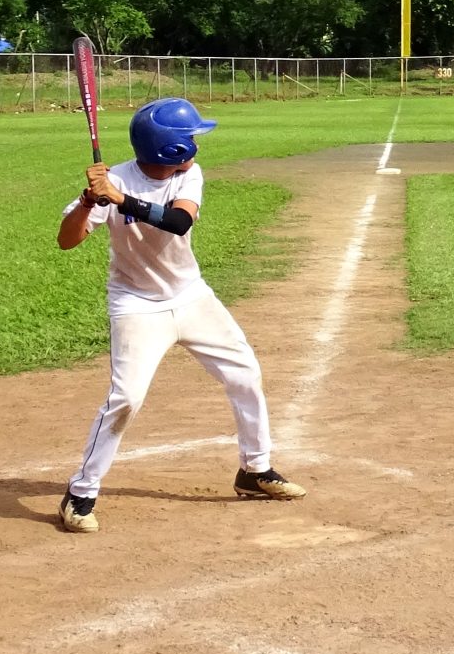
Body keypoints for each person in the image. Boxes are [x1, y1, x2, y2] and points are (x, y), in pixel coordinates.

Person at [58, 97, 303, 533]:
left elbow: (177, 223)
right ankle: (81, 493)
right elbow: (67, 240)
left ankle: (254, 470)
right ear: (169, 149)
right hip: (136, 304)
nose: (195, 145)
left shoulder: (186, 176)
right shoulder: (111, 182)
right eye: (189, 138)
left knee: (245, 374)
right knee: (126, 398)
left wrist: (120, 198)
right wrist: (86, 201)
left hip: (192, 298)